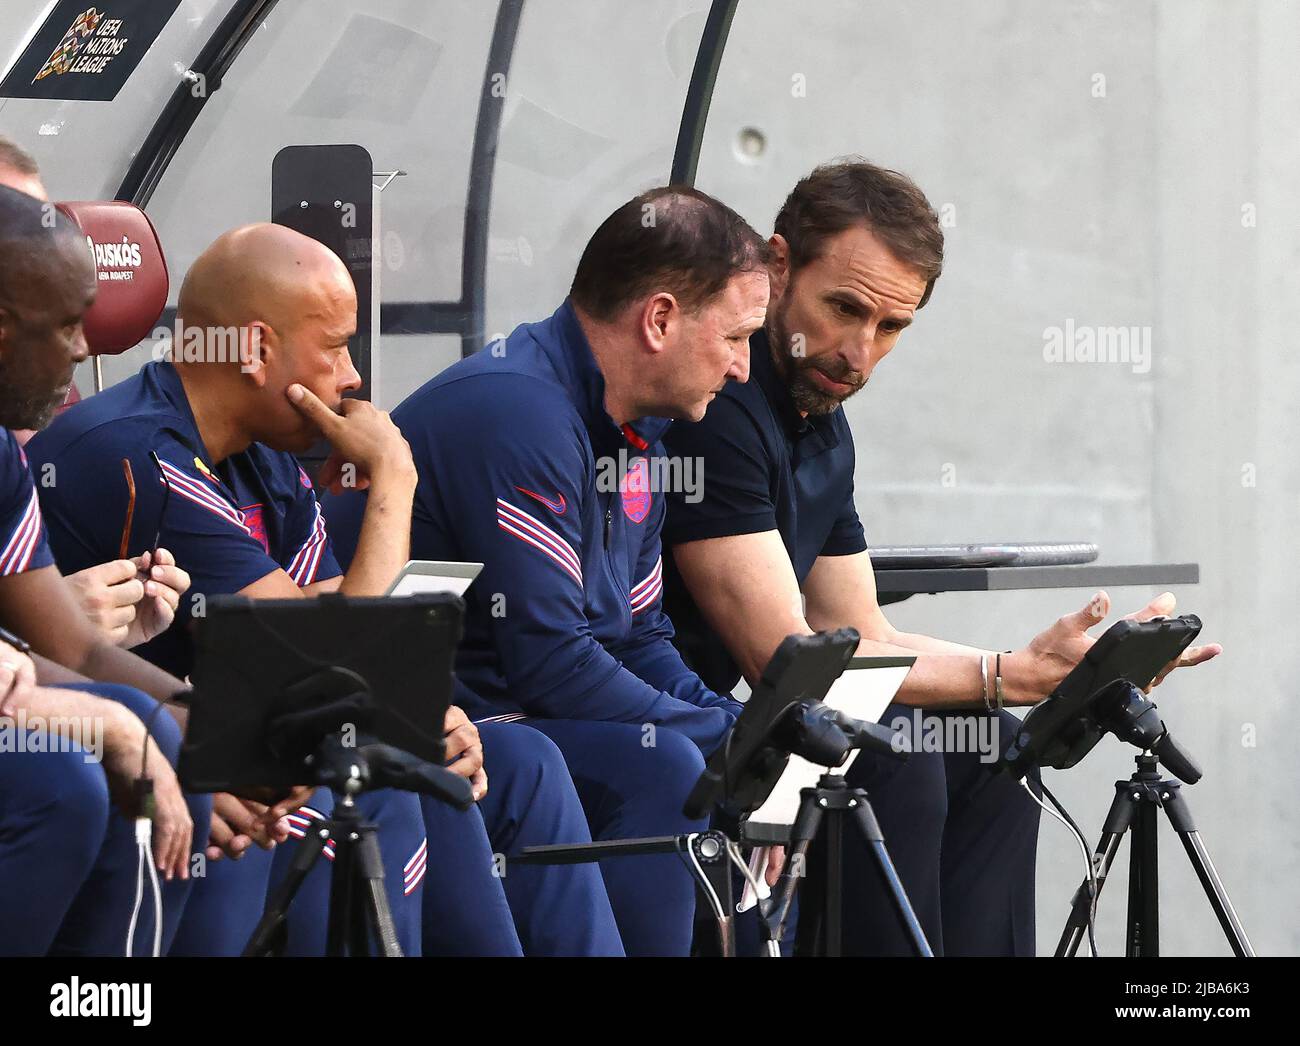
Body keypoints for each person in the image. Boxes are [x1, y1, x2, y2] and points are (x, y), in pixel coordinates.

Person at [659, 158, 1221, 955]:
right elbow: (789, 663)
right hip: (672, 719)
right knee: (900, 759)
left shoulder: (821, 420)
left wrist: (1046, 670)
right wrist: (1004, 674)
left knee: (991, 747)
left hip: (749, 719)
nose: (859, 353)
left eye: (891, 328)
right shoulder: (720, 407)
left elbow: (857, 631)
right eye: (844, 309)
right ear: (778, 265)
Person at [29, 221, 624, 956]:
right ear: (255, 349)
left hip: (261, 732)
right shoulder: (134, 454)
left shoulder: (261, 450)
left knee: (522, 764)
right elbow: (331, 656)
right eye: (337, 346)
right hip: (167, 759)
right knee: (383, 788)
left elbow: (332, 620)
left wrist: (415, 706)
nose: (353, 378)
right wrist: (394, 481)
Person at [324, 186, 770, 954]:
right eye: (736, 336)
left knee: (691, 754)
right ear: (660, 320)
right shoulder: (520, 412)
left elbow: (638, 635)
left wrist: (745, 724)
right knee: (663, 764)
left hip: (514, 711)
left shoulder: (637, 434)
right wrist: (728, 733)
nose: (743, 368)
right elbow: (553, 663)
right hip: (432, 709)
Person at [0, 183, 212, 955]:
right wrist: (111, 721)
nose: (85, 347)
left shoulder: (2, 455)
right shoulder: (129, 444)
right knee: (58, 783)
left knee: (193, 752)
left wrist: (239, 737)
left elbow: (76, 648)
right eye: (63, 323)